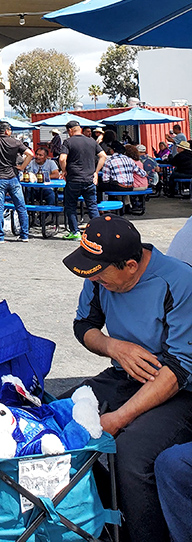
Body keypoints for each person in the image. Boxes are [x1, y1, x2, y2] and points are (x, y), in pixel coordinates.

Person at [62, 215, 192, 542]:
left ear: (131, 265)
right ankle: (109, 517)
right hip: (125, 375)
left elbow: (180, 369)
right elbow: (84, 327)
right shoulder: (99, 273)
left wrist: (120, 417)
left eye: (100, 273)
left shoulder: (179, 282)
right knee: (62, 418)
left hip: (179, 389)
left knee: (131, 451)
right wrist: (113, 346)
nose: (92, 278)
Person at [0, 121, 33, 244]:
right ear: (7, 131)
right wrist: (22, 166)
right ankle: (24, 235)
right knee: (21, 206)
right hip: (13, 178)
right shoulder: (15, 142)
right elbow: (30, 154)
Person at [58, 120, 107, 241]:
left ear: (70, 130)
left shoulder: (68, 142)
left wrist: (64, 170)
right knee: (92, 206)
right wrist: (96, 172)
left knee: (70, 206)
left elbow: (62, 158)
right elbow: (103, 156)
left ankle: (75, 232)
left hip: (74, 178)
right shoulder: (91, 141)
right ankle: (98, 232)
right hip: (89, 179)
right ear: (79, 129)